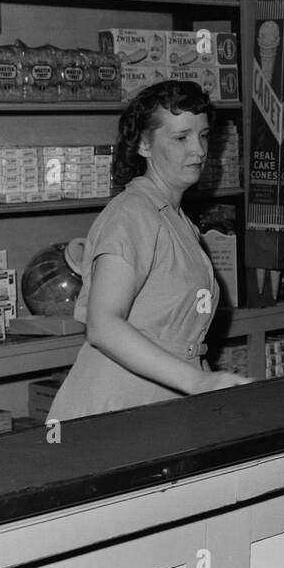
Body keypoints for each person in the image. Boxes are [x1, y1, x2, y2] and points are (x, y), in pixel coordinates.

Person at [52, 80, 250, 421]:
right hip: (118, 406)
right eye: (181, 137)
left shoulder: (177, 220)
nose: (199, 150)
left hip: (160, 401)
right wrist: (198, 381)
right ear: (144, 144)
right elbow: (102, 325)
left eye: (203, 136)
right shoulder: (131, 214)